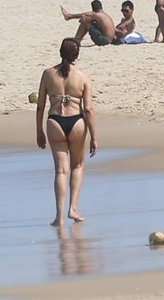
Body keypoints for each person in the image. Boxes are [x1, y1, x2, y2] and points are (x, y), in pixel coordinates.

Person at [35, 38, 97, 226]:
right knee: (77, 166)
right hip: (76, 122)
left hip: (55, 122)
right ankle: (73, 209)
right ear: (76, 55)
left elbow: (40, 106)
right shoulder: (83, 77)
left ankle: (58, 217)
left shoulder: (47, 74)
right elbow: (88, 110)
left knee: (61, 171)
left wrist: (39, 130)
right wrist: (94, 136)